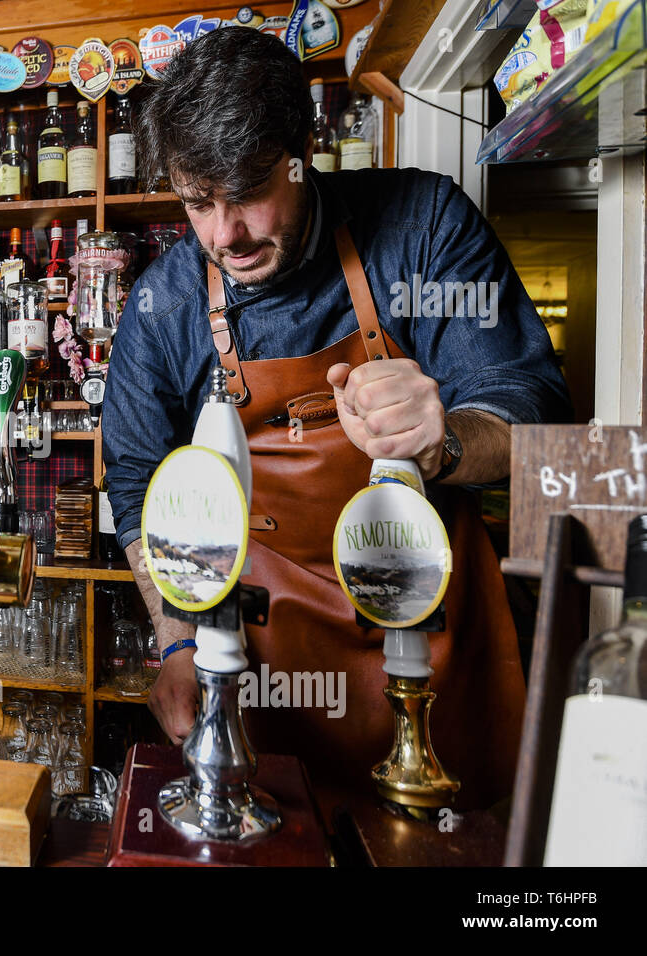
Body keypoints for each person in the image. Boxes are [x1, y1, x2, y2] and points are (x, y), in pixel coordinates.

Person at [102, 27, 572, 808]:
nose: (225, 235)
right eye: (197, 203)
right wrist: (178, 639)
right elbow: (135, 478)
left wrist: (448, 440)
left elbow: (530, 415)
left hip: (437, 640)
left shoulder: (422, 228)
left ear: (304, 149)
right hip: (264, 659)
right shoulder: (165, 304)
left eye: (249, 192)